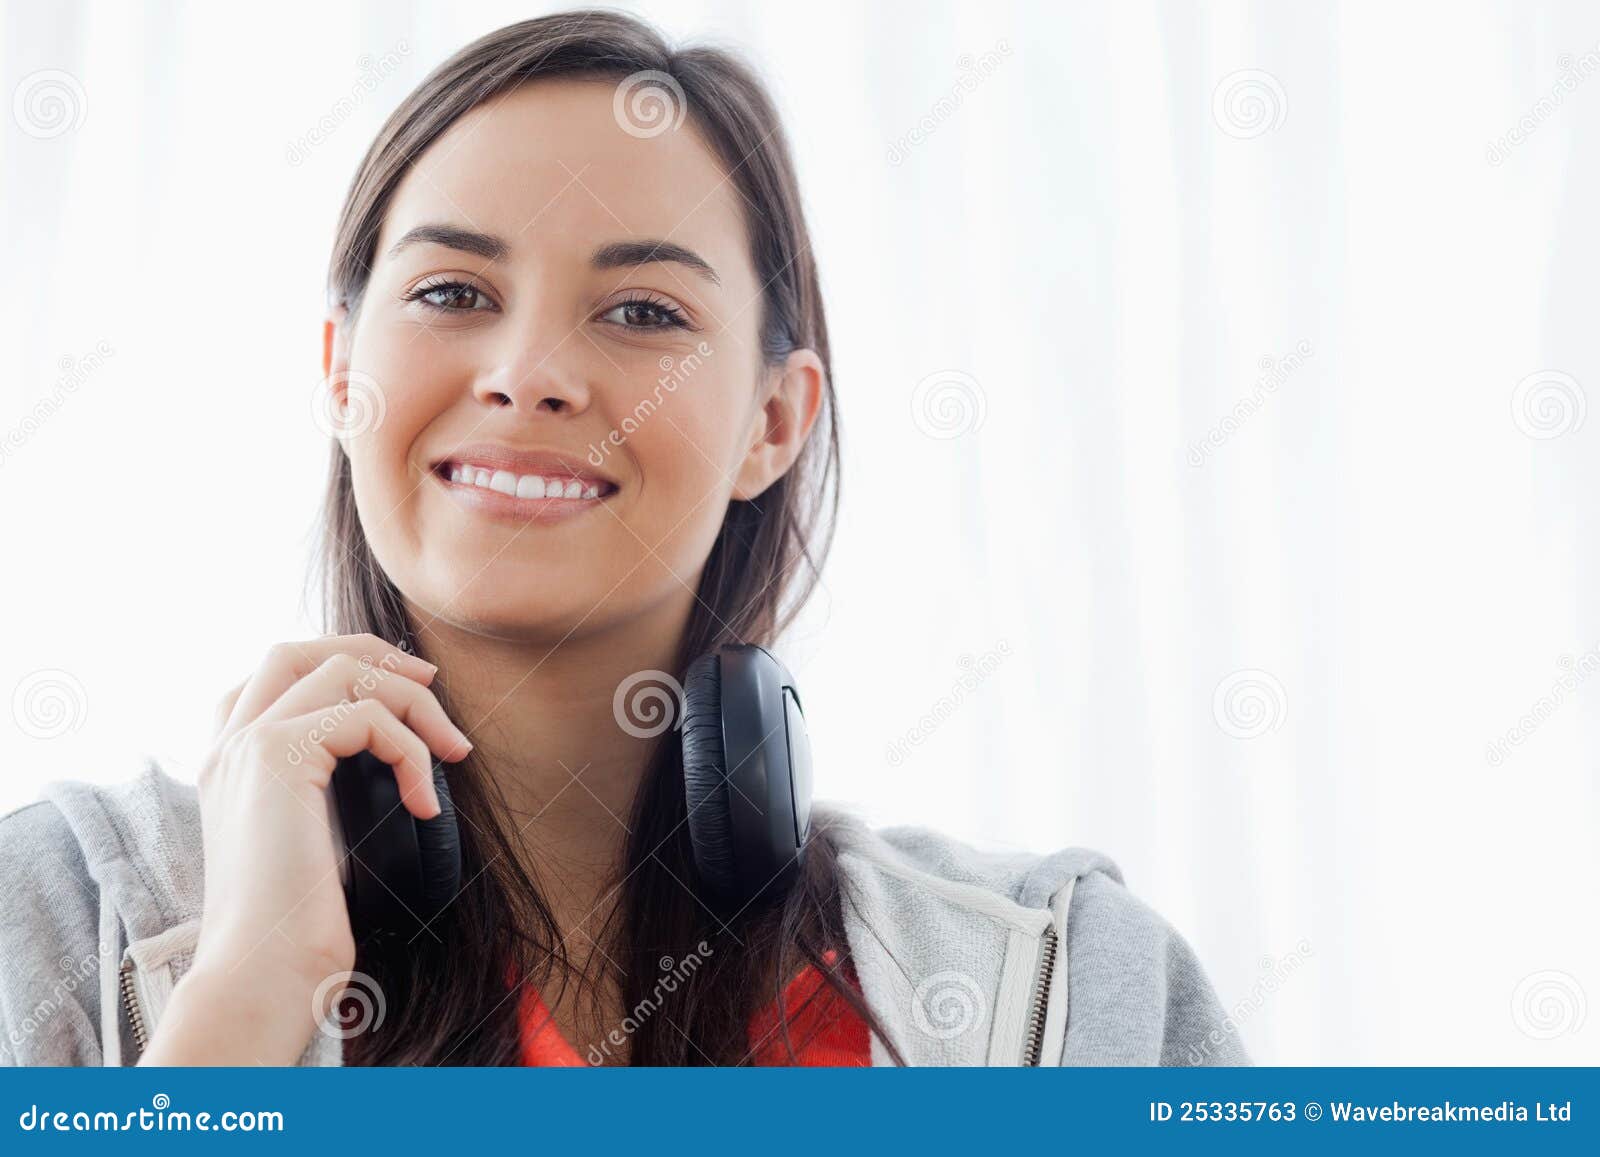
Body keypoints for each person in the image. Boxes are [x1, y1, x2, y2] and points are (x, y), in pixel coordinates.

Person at [0, 9, 1247, 1068]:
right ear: (340, 370)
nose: (529, 372)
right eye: (451, 291)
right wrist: (244, 996)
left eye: (643, 310)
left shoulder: (1073, 991)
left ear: (773, 420)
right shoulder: (59, 920)